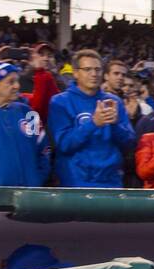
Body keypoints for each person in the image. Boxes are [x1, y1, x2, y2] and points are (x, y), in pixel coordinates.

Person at [46, 49, 137, 187]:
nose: (94, 74)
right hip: (75, 182)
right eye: (87, 69)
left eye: (97, 69)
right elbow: (64, 145)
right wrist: (93, 123)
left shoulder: (114, 101)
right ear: (75, 73)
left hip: (111, 181)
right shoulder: (60, 102)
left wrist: (115, 125)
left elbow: (129, 143)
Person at [0, 60, 50, 187]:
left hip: (30, 197)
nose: (17, 86)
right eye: (11, 82)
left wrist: (37, 178)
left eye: (17, 81)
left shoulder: (27, 112)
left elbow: (44, 150)